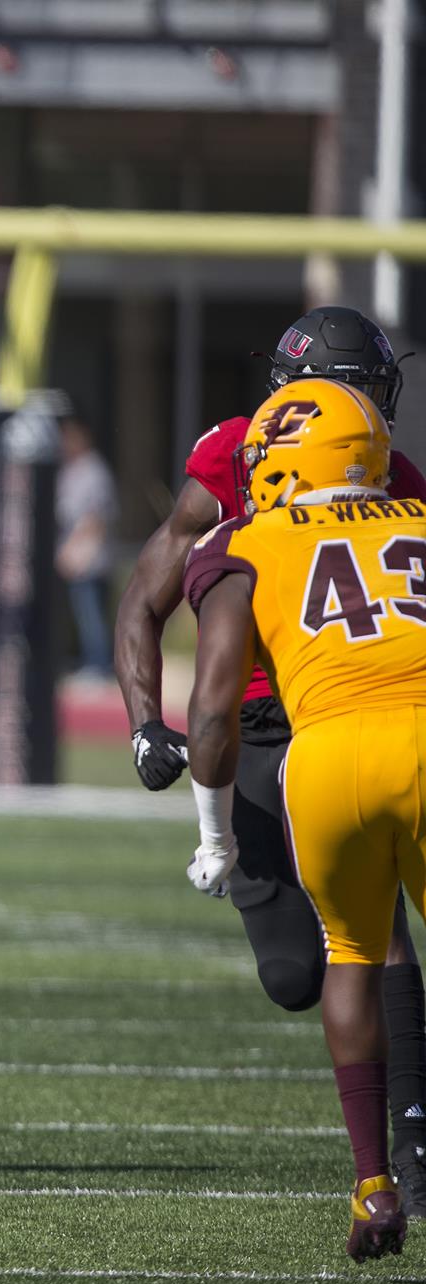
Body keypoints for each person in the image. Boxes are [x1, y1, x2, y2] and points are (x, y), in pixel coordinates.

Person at [113, 306, 426, 1215]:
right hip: (259, 725)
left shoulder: (390, 480)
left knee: (375, 936)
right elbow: (144, 598)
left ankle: (405, 1148)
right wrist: (145, 722)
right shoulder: (232, 470)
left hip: (348, 709)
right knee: (296, 973)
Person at [185, 377, 426, 1261]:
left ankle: (373, 1184)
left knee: (352, 956)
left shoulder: (241, 539)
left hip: (323, 759)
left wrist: (214, 836)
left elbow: (211, 714)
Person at [54, 416, 118, 677]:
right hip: (72, 554)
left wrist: (73, 550)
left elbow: (96, 519)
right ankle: (89, 660)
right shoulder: (71, 470)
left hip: (89, 557)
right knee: (82, 615)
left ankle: (98, 665)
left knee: (92, 616)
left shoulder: (94, 471)